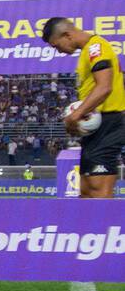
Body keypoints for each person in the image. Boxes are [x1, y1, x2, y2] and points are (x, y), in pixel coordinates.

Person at [42, 16, 125, 198]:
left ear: (67, 35)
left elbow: (104, 87)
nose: (59, 51)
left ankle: (107, 226)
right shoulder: (87, 51)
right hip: (95, 127)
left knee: (99, 189)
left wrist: (74, 116)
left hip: (109, 124)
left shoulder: (97, 47)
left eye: (57, 46)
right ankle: (88, 227)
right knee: (86, 190)